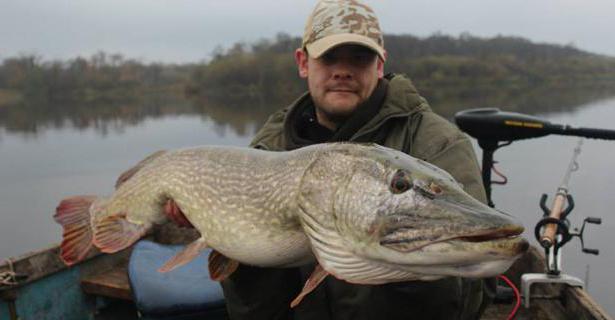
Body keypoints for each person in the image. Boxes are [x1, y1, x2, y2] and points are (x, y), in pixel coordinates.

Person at [220, 0, 494, 319]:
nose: (343, 70)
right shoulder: (270, 147)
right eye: (329, 56)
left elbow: (473, 296)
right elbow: (255, 311)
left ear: (379, 65)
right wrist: (240, 258)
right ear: (303, 62)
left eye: (360, 58)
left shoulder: (436, 142)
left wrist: (411, 264)